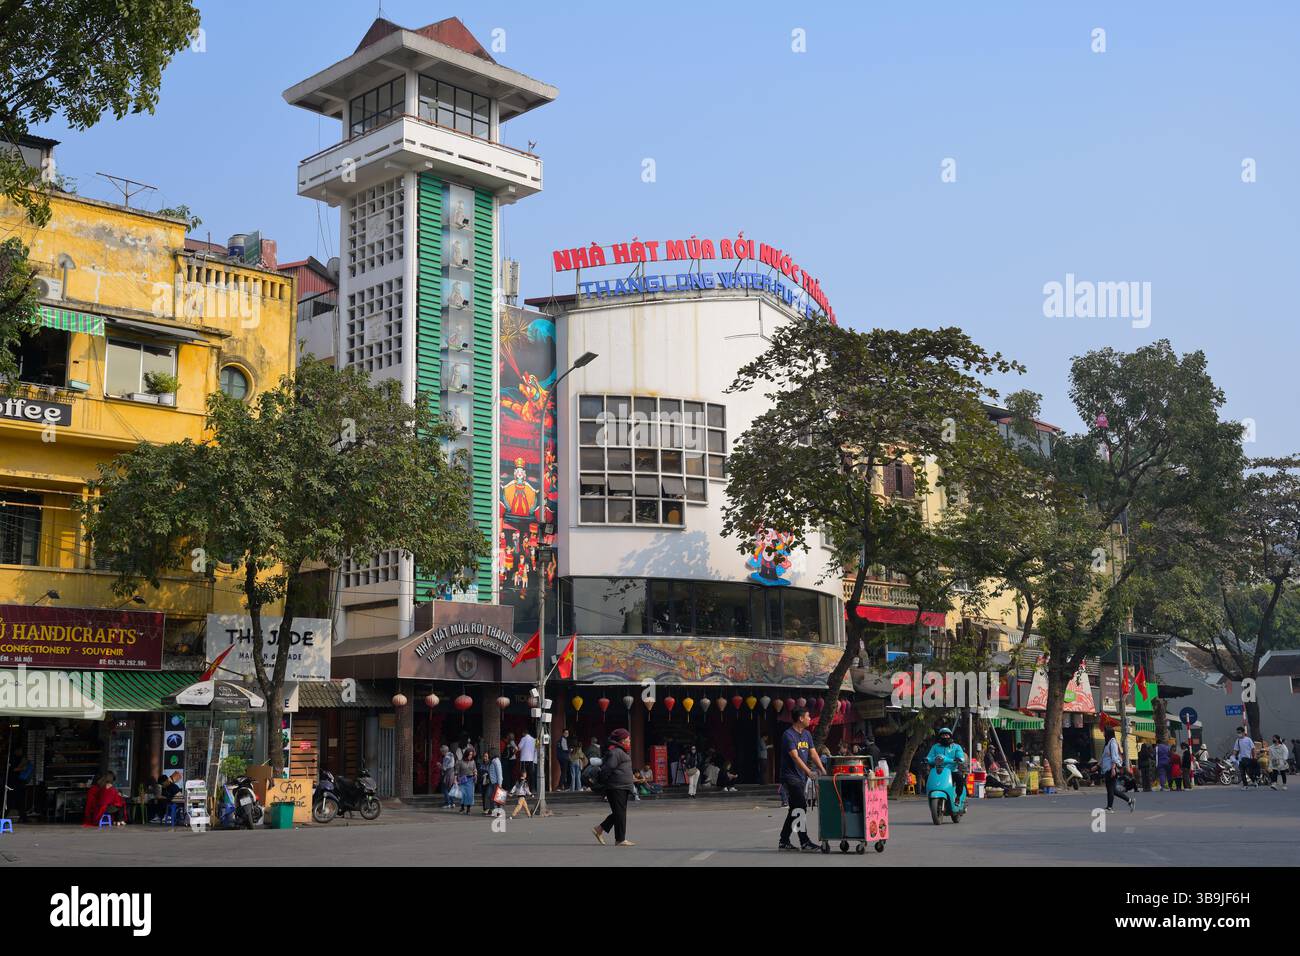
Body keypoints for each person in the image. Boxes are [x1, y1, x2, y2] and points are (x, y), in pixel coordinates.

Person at [777, 707, 825, 852]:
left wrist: (823, 769)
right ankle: (804, 842)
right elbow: (795, 756)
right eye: (808, 716)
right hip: (790, 777)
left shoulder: (807, 735)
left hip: (800, 777)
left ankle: (783, 841)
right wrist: (809, 772)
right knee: (801, 807)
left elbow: (814, 754)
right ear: (800, 718)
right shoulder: (788, 735)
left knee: (794, 809)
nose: (810, 719)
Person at [592, 728, 636, 847]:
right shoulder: (616, 752)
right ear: (621, 741)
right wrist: (603, 783)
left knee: (619, 812)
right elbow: (608, 768)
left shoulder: (621, 751)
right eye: (627, 739)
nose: (629, 741)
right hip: (617, 787)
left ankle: (600, 829)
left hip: (622, 786)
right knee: (620, 813)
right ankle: (620, 839)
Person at [1101, 726, 1134, 813]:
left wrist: (1113, 768)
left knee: (1110, 789)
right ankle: (1129, 800)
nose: (1103, 733)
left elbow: (1114, 757)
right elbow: (1104, 757)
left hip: (1111, 769)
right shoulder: (1108, 743)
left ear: (1108, 733)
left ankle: (1110, 807)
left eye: (1104, 731)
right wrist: (1098, 765)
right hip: (1107, 769)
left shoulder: (1113, 743)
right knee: (1112, 790)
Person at [8, 747, 32, 822]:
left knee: (18, 800)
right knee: (14, 800)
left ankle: (23, 817)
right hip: (16, 783)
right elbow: (16, 769)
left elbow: (21, 769)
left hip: (19, 783)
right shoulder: (14, 759)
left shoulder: (20, 760)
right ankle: (22, 817)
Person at [456, 747, 477, 815]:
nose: (470, 756)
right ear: (466, 754)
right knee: (463, 794)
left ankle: (468, 809)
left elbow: (475, 769)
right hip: (463, 779)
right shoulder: (461, 762)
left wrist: (475, 774)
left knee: (470, 795)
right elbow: (457, 771)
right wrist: (456, 779)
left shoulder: (473, 761)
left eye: (471, 755)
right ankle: (462, 807)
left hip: (470, 779)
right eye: (469, 754)